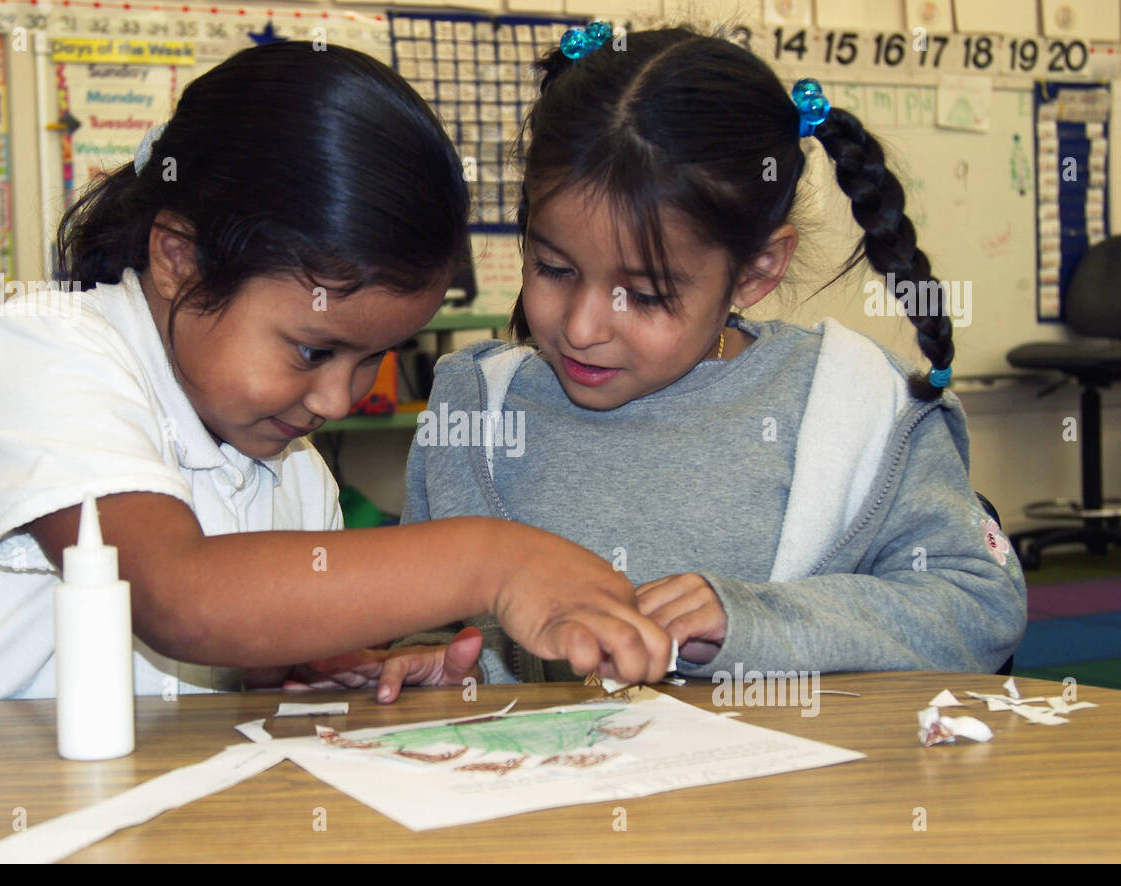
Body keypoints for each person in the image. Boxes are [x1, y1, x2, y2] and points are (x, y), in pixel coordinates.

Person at [0, 42, 673, 735]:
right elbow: (180, 600)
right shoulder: (45, 351)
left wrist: (325, 669)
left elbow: (236, 645)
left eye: (376, 356)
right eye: (312, 350)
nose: (340, 401)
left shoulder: (294, 471)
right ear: (179, 256)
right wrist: (494, 557)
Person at [305, 24, 1025, 699]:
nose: (584, 328)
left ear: (756, 270)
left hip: (783, 824)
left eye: (643, 296)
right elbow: (436, 624)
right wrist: (434, 660)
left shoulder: (858, 404)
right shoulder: (475, 407)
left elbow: (979, 605)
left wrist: (755, 619)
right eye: (553, 268)